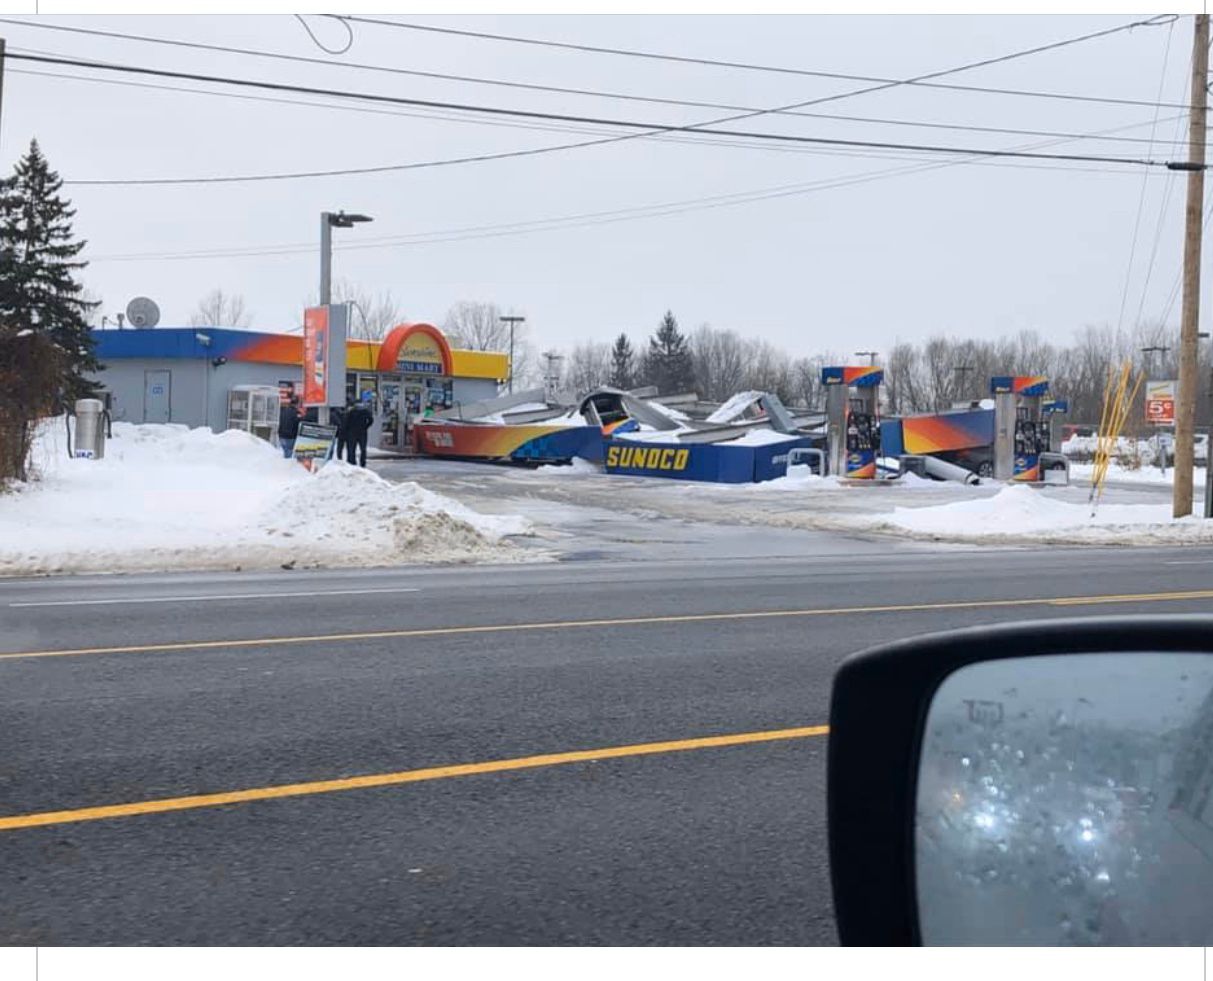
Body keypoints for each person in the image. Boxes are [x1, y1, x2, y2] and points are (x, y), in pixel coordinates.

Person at [343, 399, 373, 467]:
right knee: (363, 449)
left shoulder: (352, 411)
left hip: (352, 433)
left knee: (352, 448)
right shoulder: (365, 411)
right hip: (362, 433)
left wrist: (347, 431)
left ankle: (352, 462)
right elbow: (371, 420)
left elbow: (346, 422)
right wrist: (365, 427)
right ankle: (363, 462)